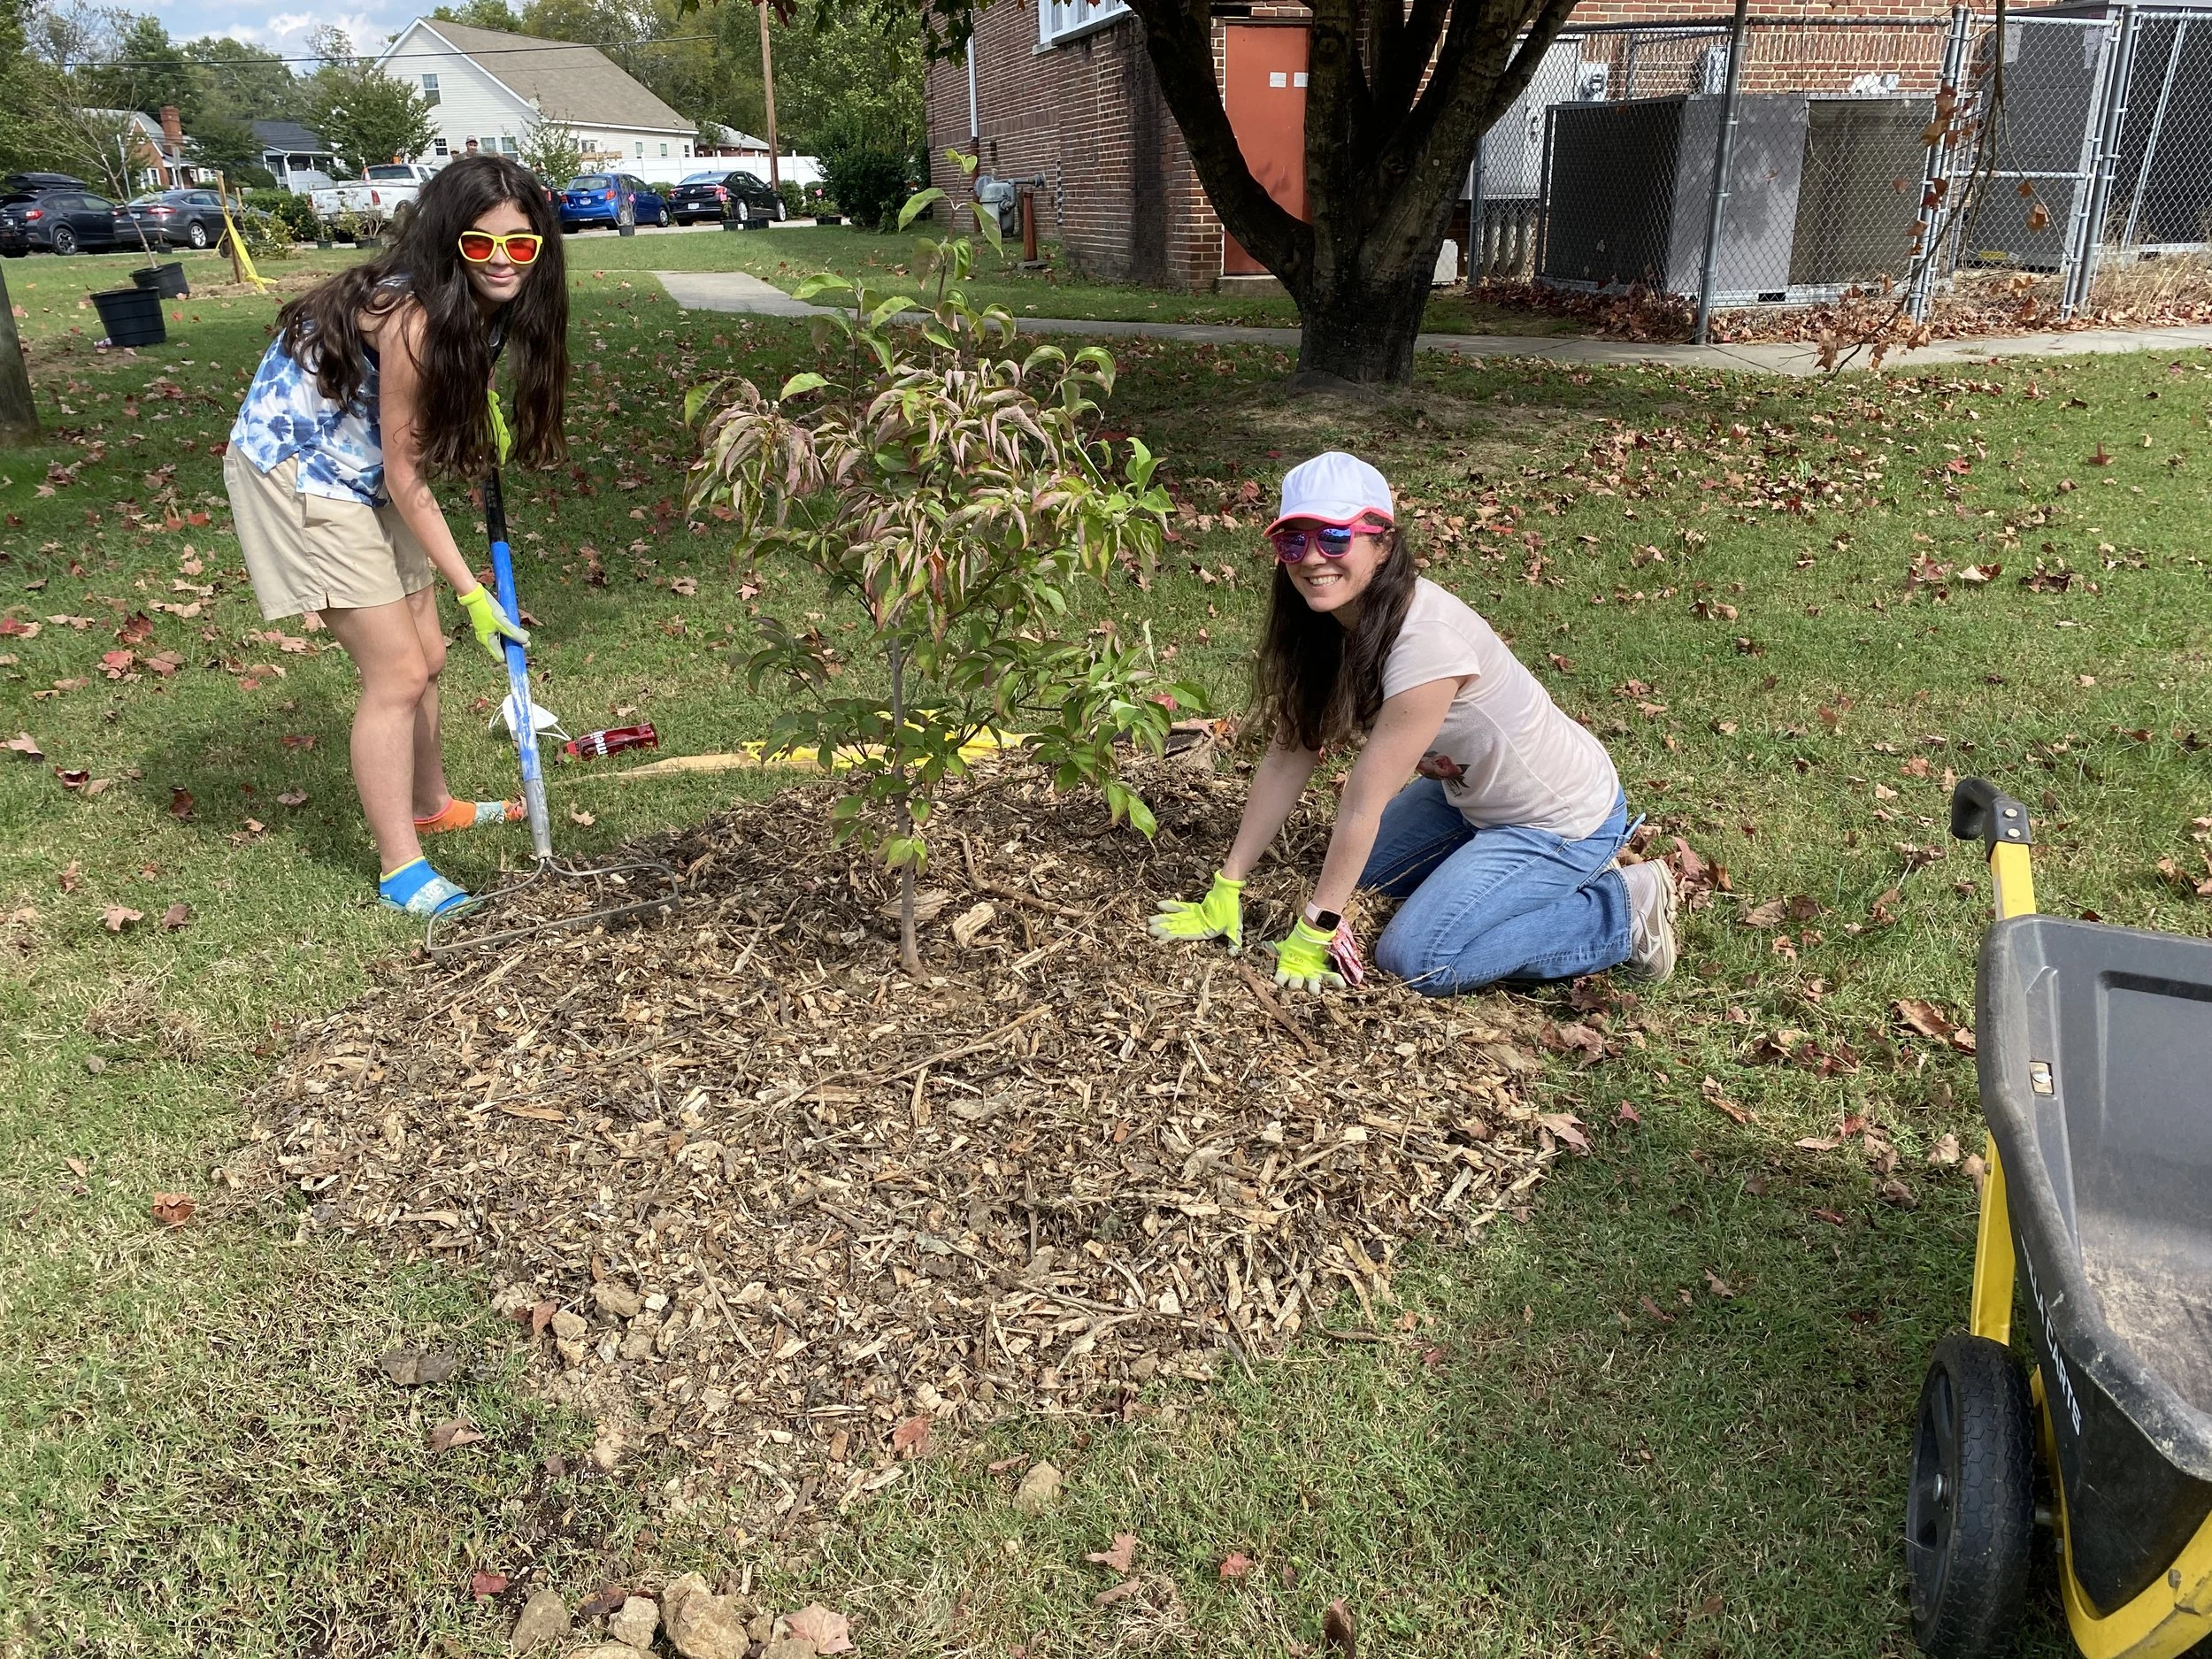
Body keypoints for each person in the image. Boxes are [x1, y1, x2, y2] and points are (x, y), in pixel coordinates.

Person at [1149, 450, 1678, 995]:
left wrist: (1317, 929)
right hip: (1468, 799)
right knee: (1365, 875)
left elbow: (1363, 801)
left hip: (1559, 820)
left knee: (1419, 957)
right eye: (1293, 540)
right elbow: (1289, 755)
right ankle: (1495, 878)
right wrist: (1227, 884)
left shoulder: (1425, 644)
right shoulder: (1326, 624)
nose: (1311, 559)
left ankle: (1619, 912)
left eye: (1334, 538)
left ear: (1383, 543)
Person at [225, 154, 568, 917]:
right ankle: (399, 866)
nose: (503, 261)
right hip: (299, 474)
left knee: (430, 656)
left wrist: (478, 405)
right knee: (398, 675)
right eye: (482, 246)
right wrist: (471, 589)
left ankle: (431, 802)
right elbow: (411, 479)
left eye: (522, 245)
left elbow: (417, 423)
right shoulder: (412, 319)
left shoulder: (468, 301)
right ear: (451, 244)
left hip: (362, 468)